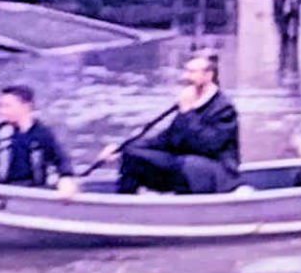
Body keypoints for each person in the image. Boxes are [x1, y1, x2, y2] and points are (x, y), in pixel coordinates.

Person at [96, 49, 241, 194]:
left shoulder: (224, 108)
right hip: (185, 165)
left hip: (214, 173)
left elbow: (207, 145)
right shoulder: (191, 102)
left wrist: (187, 112)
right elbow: (166, 139)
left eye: (192, 72)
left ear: (208, 76)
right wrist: (121, 149)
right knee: (132, 153)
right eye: (186, 71)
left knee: (187, 164)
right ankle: (125, 202)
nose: (185, 77)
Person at [0, 85, 79, 196]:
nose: (1, 111)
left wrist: (65, 178)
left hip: (32, 192)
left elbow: (61, 159)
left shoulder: (42, 134)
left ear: (25, 107)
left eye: (7, 106)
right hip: (0, 191)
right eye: (0, 106)